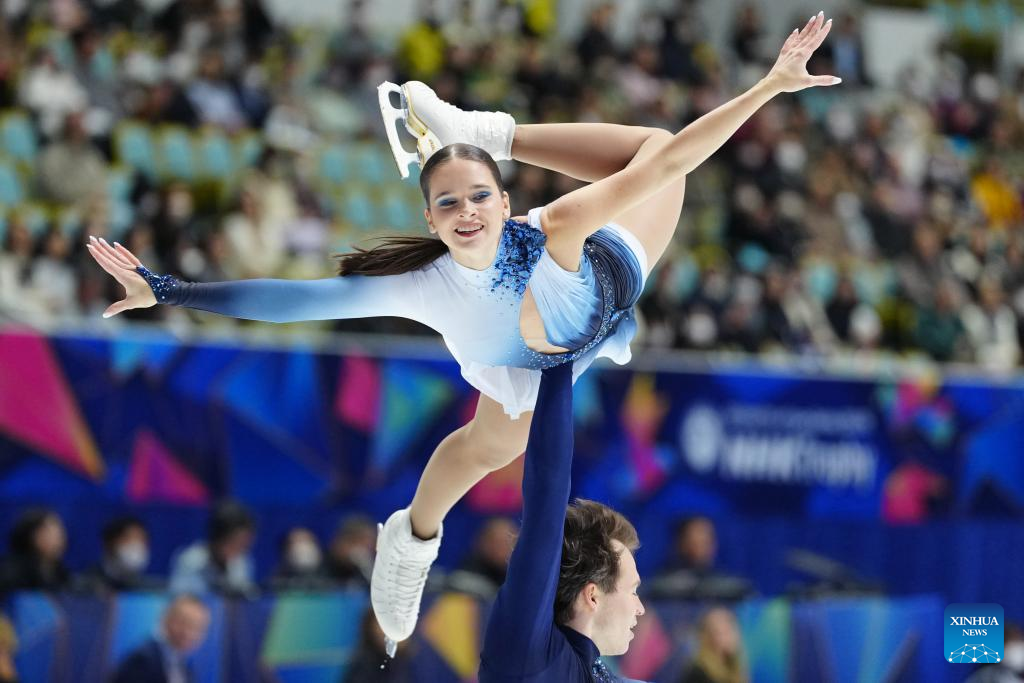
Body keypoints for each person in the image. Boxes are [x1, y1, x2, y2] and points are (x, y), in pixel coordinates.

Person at [85, 12, 840, 649]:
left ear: (505, 204)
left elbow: (675, 158)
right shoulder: (427, 285)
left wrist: (768, 87)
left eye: (480, 196)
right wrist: (168, 289)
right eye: (449, 204)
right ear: (430, 218)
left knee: (659, 152)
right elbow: (292, 302)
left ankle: (485, 132)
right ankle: (411, 536)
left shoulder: (559, 225)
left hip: (609, 274)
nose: (467, 212)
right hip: (532, 347)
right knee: (484, 448)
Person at [480, 362, 644, 681]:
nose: (640, 609)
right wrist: (558, 363)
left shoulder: (595, 672)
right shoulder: (529, 657)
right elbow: (547, 491)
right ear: (592, 595)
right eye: (633, 591)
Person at [111, 594, 211, 683]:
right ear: (166, 619)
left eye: (197, 627)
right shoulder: (142, 660)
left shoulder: (186, 668)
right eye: (184, 623)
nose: (189, 633)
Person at [168, 501, 257, 598]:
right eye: (237, 543)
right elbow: (180, 600)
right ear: (219, 538)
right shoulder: (191, 561)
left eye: (245, 544)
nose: (242, 549)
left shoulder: (242, 562)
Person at [78, 515, 159, 593]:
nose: (136, 546)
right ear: (109, 543)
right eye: (128, 539)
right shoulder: (85, 585)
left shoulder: (149, 590)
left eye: (142, 540)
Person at [0, 508, 71, 592]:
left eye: (60, 533)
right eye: (51, 533)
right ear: (32, 536)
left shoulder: (60, 572)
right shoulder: (10, 573)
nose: (59, 540)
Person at [445, 516, 517, 599]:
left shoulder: (517, 577)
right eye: (498, 542)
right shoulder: (465, 580)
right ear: (483, 543)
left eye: (509, 543)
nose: (504, 548)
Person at [678, 607, 748, 683]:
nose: (731, 637)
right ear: (707, 637)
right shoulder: (698, 673)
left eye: (732, 629)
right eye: (724, 632)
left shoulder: (732, 667)